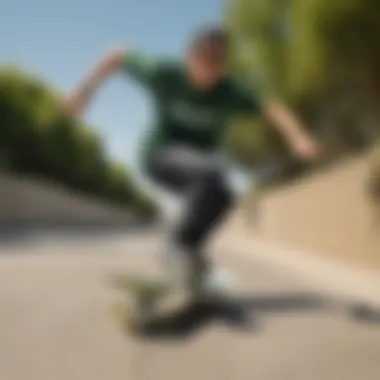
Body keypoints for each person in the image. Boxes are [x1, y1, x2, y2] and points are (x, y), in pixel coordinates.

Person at [64, 26, 320, 296]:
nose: (208, 70)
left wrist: (297, 136)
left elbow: (271, 108)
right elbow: (116, 54)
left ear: (223, 65)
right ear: (188, 56)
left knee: (224, 196)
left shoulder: (228, 90)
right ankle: (175, 249)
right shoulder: (163, 72)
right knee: (211, 174)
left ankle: (190, 253)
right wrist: (84, 92)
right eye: (203, 59)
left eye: (216, 62)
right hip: (158, 156)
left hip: (195, 168)